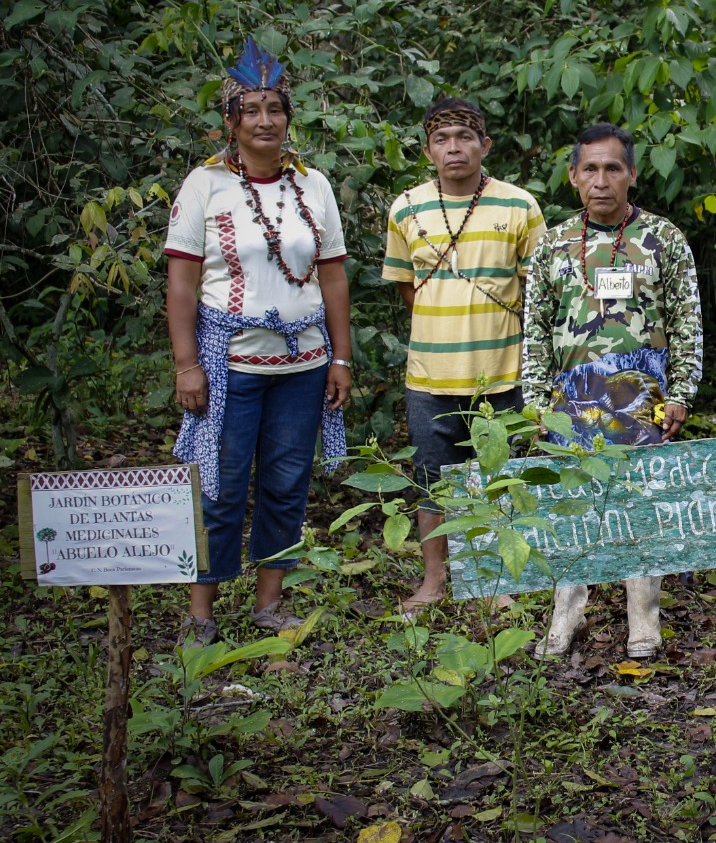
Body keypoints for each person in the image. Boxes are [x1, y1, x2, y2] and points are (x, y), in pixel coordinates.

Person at [164, 37, 352, 647]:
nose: (265, 119)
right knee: (218, 482)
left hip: (303, 362)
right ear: (230, 121)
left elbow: (333, 276)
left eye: (275, 108)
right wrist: (187, 365)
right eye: (251, 109)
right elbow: (183, 283)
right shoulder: (205, 185)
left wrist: (341, 357)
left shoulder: (313, 185)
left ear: (288, 117)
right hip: (228, 362)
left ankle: (269, 605)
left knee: (286, 479)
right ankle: (201, 613)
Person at [522, 123, 703, 659]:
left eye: (613, 168)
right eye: (590, 169)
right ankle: (567, 615)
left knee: (638, 503)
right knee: (570, 503)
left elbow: (688, 320)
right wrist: (535, 400)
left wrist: (683, 392)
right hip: (569, 397)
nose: (601, 180)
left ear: (632, 175)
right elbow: (534, 326)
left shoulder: (663, 239)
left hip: (642, 396)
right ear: (574, 176)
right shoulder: (553, 243)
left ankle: (642, 619)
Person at [383, 97, 546, 614]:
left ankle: (502, 581)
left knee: (504, 480)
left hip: (503, 373)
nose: (454, 148)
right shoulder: (406, 207)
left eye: (464, 137)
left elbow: (536, 291)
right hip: (430, 376)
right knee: (433, 482)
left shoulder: (520, 206)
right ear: (428, 150)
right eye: (442, 139)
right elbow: (408, 287)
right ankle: (435, 582)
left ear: (485, 145)